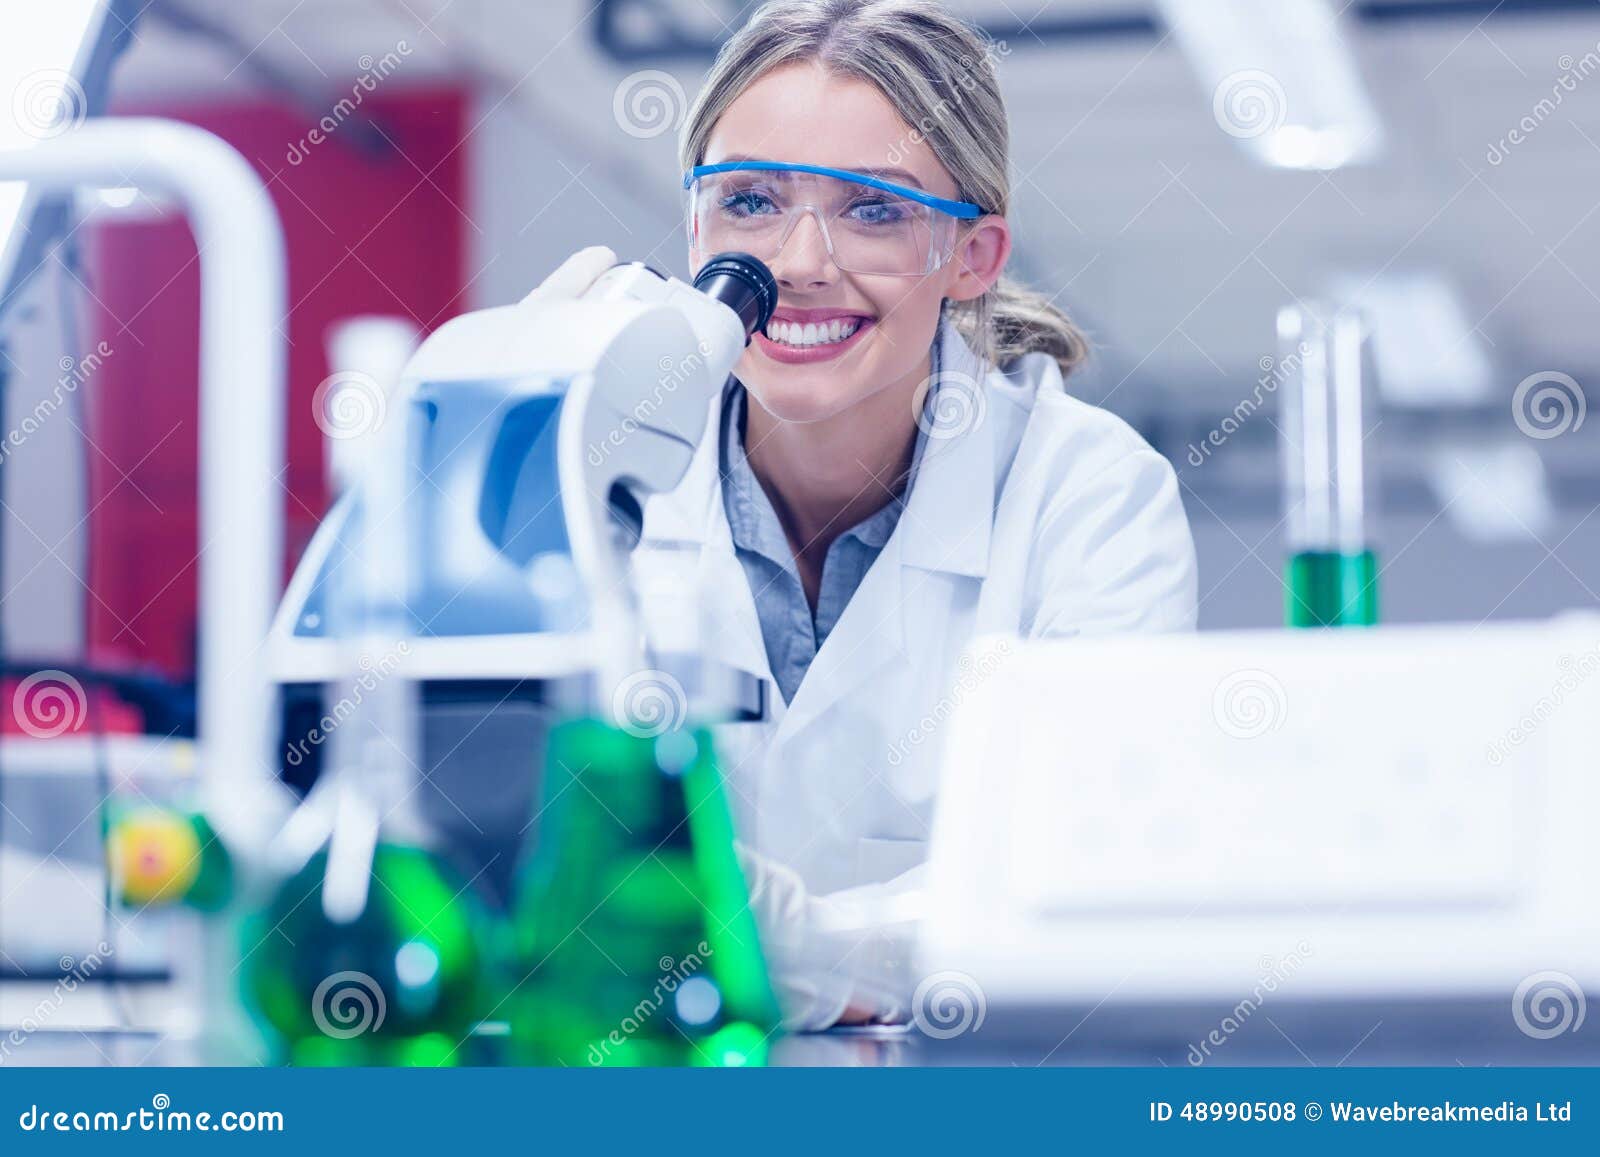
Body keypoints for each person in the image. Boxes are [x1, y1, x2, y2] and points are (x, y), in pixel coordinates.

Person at [535, 0, 1197, 1030]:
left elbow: (1081, 890)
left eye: (873, 210)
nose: (797, 262)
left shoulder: (1088, 498)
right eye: (750, 200)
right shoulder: (591, 473)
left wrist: (753, 938)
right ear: (696, 225)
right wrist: (503, 450)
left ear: (973, 256)